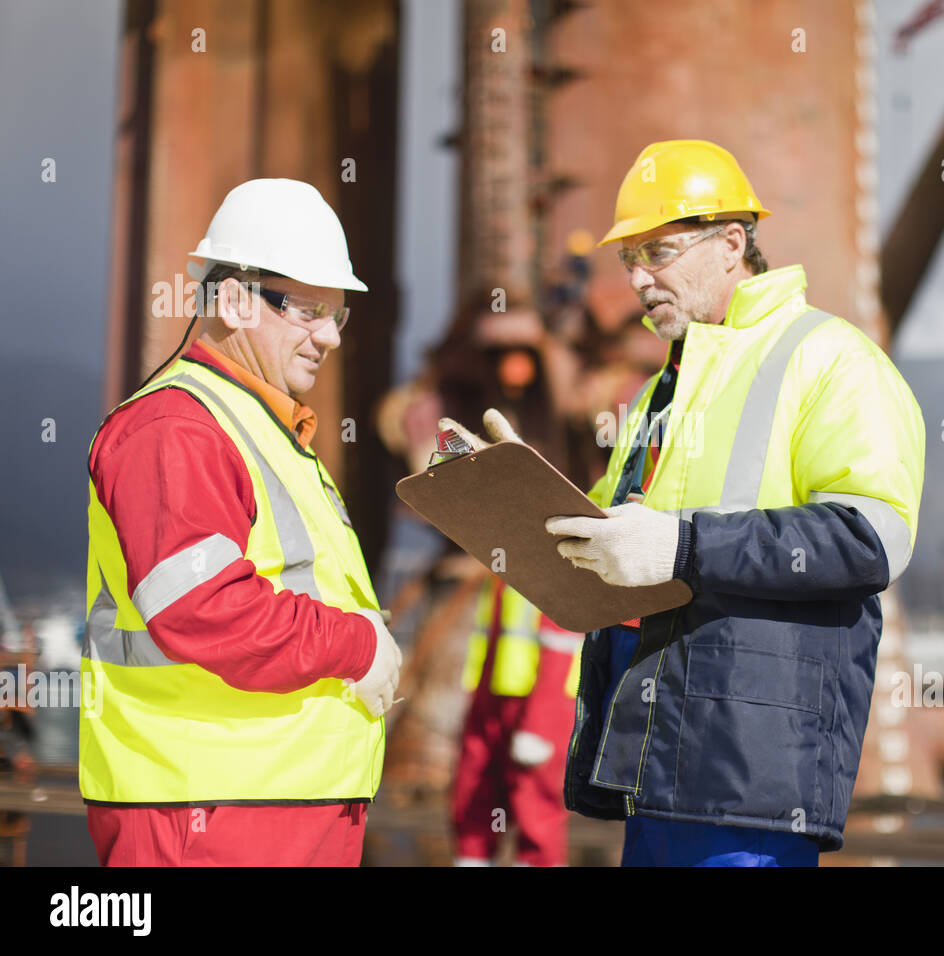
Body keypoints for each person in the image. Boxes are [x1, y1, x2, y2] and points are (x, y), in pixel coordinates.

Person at [544, 140, 926, 866]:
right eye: (628, 260)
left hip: (750, 777)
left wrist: (683, 546)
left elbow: (871, 538)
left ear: (730, 244)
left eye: (657, 251)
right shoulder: (668, 387)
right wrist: (509, 490)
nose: (637, 278)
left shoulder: (832, 359)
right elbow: (618, 533)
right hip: (655, 767)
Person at [80, 178, 402, 866]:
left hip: (267, 805)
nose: (329, 337)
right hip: (207, 816)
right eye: (309, 310)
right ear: (230, 301)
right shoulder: (176, 429)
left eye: (338, 315)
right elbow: (202, 608)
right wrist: (356, 645)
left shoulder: (258, 427)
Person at [450, 577, 583, 866]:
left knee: (536, 810)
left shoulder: (553, 565)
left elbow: (562, 642)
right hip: (492, 699)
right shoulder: (502, 567)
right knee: (473, 795)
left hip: (539, 705)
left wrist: (542, 721)